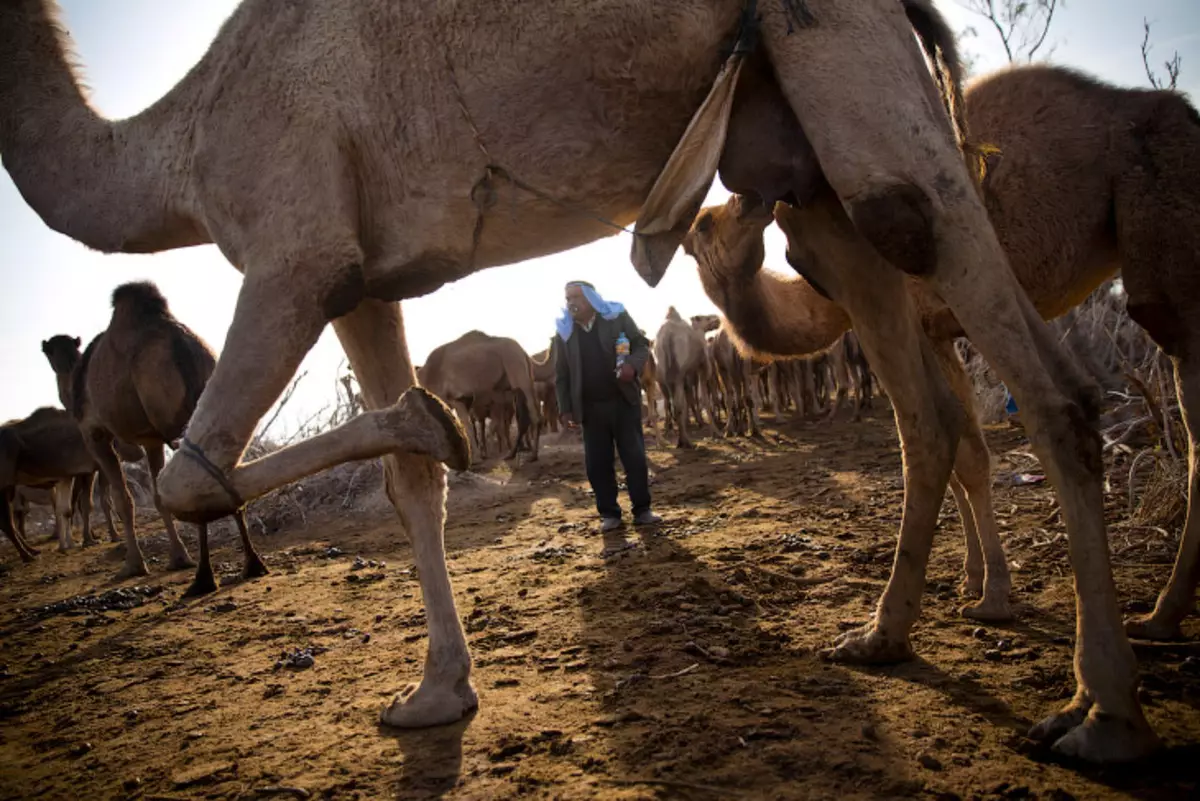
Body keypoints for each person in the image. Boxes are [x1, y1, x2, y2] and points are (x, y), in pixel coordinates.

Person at [554, 281, 662, 532]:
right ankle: (609, 514)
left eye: (576, 297)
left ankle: (642, 510)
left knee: (634, 457)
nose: (571, 303)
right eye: (567, 297)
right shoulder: (564, 332)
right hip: (590, 409)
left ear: (591, 298)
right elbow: (561, 374)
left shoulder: (616, 317)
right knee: (597, 463)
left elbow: (640, 344)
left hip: (623, 401)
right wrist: (565, 408)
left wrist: (632, 366)